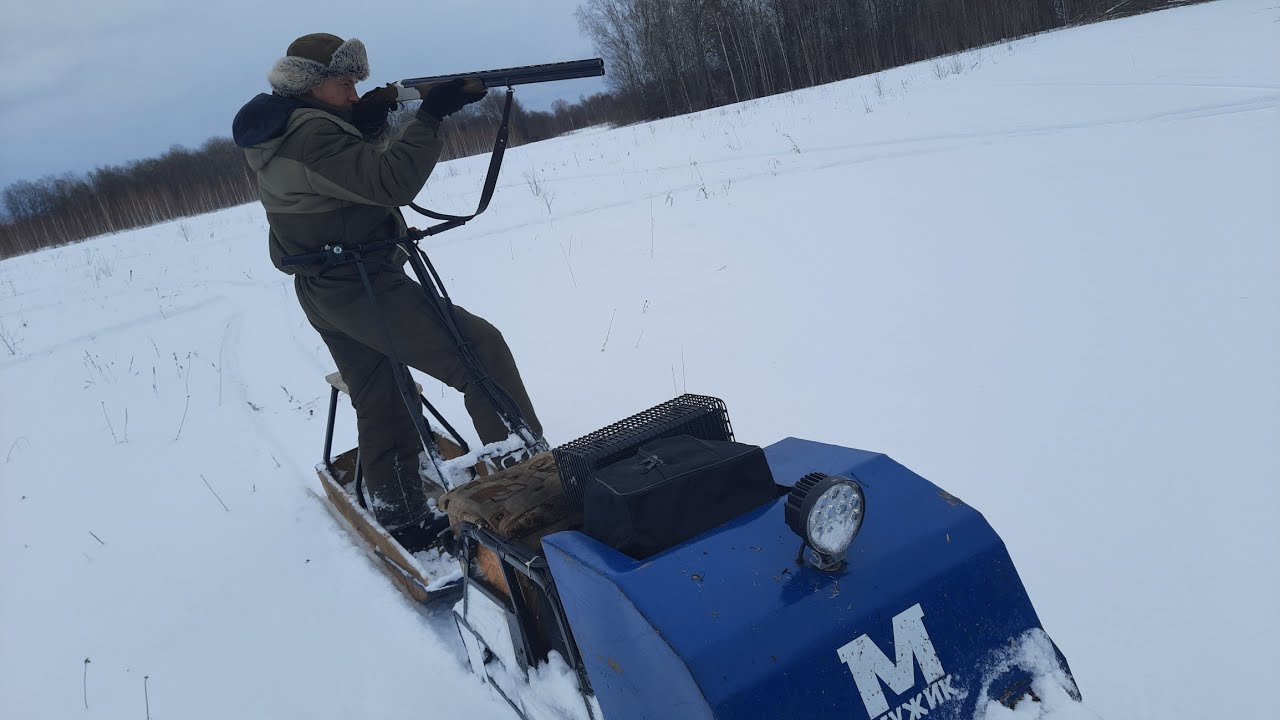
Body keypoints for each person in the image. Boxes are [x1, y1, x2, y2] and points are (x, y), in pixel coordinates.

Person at [232, 33, 544, 550]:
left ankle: (400, 512)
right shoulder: (312, 133)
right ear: (311, 84)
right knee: (481, 353)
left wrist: (372, 124)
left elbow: (348, 179)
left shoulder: (284, 126)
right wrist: (431, 116)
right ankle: (531, 499)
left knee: (384, 399)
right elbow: (390, 184)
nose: (355, 93)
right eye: (345, 82)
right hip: (361, 286)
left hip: (327, 287)